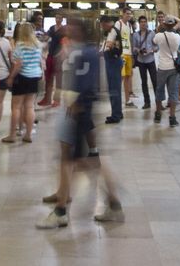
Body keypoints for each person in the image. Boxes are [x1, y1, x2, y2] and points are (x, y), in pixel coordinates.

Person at [38, 20, 124, 229]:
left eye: (72, 27)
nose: (68, 28)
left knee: (73, 160)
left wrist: (74, 103)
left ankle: (61, 210)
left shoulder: (85, 53)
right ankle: (111, 202)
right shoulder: (84, 51)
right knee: (83, 159)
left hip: (79, 109)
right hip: (81, 108)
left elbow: (84, 81)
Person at [4, 21, 42, 144]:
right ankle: (28, 134)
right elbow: (39, 62)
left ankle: (12, 135)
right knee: (30, 106)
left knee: (16, 107)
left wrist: (10, 77)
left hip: (22, 77)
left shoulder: (19, 46)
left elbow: (18, 65)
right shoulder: (37, 46)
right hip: (34, 77)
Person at [154, 14, 180, 127]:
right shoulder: (177, 37)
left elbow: (154, 43)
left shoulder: (159, 36)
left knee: (159, 90)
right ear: (173, 25)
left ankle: (157, 114)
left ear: (164, 24)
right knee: (173, 92)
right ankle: (172, 118)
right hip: (173, 67)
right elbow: (178, 23)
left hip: (162, 67)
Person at [99, 14, 125, 123]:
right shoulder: (111, 31)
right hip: (112, 61)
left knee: (114, 89)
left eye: (102, 25)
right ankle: (118, 112)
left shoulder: (113, 31)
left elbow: (108, 45)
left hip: (113, 62)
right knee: (114, 89)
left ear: (105, 23)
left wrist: (98, 53)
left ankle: (116, 116)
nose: (102, 28)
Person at [131, 14, 158, 110]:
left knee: (155, 81)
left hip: (150, 60)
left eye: (144, 22)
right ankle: (147, 102)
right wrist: (138, 51)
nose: (143, 24)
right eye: (141, 22)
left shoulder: (152, 34)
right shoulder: (135, 35)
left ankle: (158, 102)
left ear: (147, 23)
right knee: (144, 82)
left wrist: (151, 51)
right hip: (141, 60)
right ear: (139, 23)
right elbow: (133, 47)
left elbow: (157, 47)